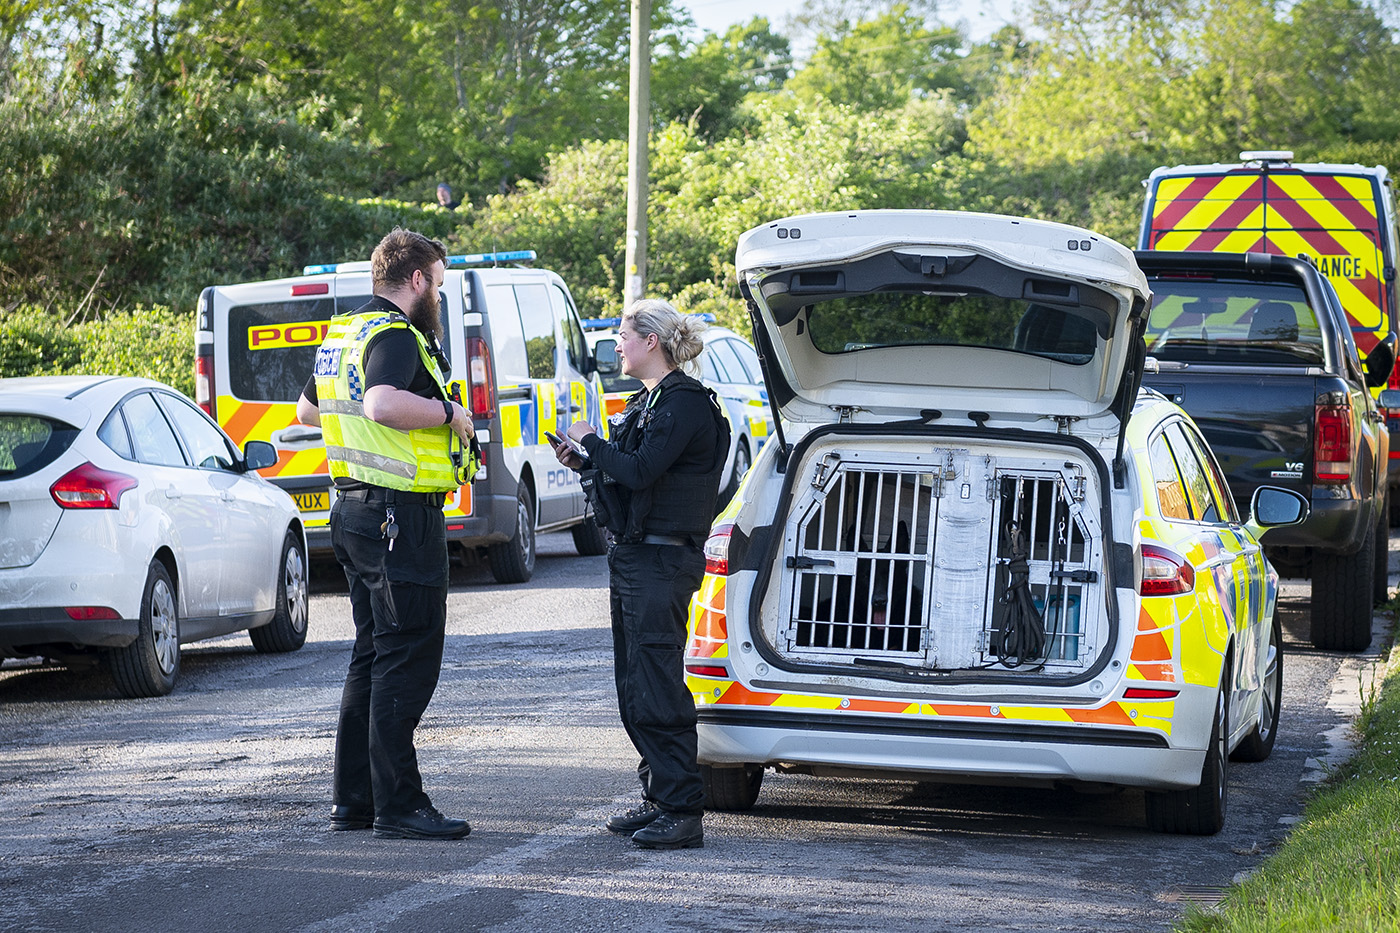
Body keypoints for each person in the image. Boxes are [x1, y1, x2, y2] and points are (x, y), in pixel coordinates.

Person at [296, 228, 475, 840]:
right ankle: (400, 805)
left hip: (353, 510)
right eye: (440, 286)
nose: (440, 300)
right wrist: (451, 415)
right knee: (406, 657)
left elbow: (307, 411)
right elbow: (379, 405)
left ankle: (356, 800)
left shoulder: (343, 333)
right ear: (419, 279)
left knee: (372, 654)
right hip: (400, 515)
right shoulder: (398, 334)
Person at [550, 299, 730, 850]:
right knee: (634, 684)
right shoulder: (649, 402)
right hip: (635, 555)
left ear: (651, 341)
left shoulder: (685, 403)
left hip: (661, 559)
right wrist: (585, 463)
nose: (617, 345)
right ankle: (659, 795)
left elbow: (641, 468)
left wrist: (592, 441)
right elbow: (627, 482)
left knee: (655, 683)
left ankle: (682, 808)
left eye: (624, 335)